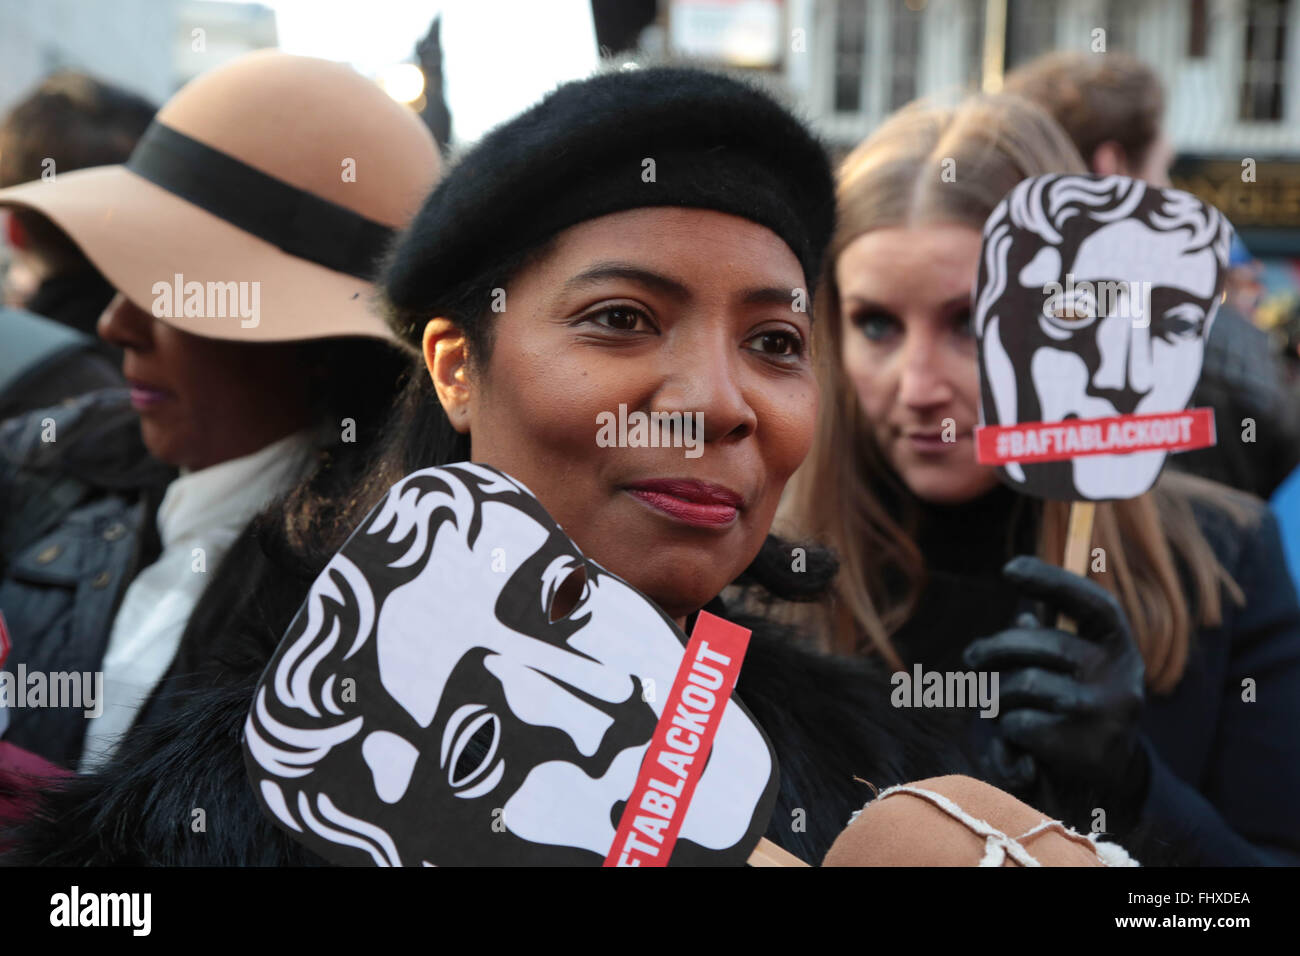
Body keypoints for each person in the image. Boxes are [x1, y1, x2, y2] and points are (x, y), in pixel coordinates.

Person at [0, 66, 1109, 868]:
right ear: (455, 366)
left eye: (774, 342)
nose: (718, 402)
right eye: (622, 318)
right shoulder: (232, 807)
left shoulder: (894, 771)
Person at [778, 92, 1300, 865]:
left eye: (972, 321)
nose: (918, 384)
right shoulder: (769, 576)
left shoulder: (1222, 560)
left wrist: (1134, 792)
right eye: (876, 324)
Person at [0, 51, 440, 772]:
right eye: (126, 276)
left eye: (170, 291)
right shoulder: (49, 465)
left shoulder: (372, 617)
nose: (118, 325)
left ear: (315, 344)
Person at [1004, 50, 1300, 499]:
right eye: (1164, 170)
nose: (1170, 194)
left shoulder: (984, 323)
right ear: (1113, 167)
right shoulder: (1212, 352)